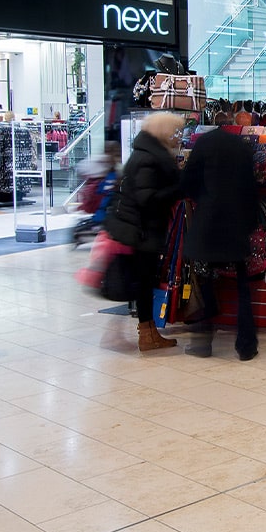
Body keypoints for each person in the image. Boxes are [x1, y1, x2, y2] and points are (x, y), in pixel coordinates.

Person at [104, 112, 184, 352]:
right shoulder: (149, 158)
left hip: (139, 228)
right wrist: (179, 189)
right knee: (144, 282)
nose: (177, 137)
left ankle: (148, 333)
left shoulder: (145, 154)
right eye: (175, 131)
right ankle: (147, 335)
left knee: (145, 282)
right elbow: (147, 198)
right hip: (141, 230)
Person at [181, 122, 261, 360]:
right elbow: (251, 189)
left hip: (208, 222)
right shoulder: (242, 147)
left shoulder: (203, 144)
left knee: (204, 281)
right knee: (242, 286)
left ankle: (202, 344)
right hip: (236, 223)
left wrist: (204, 200)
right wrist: (250, 222)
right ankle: (246, 345)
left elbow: (188, 183)